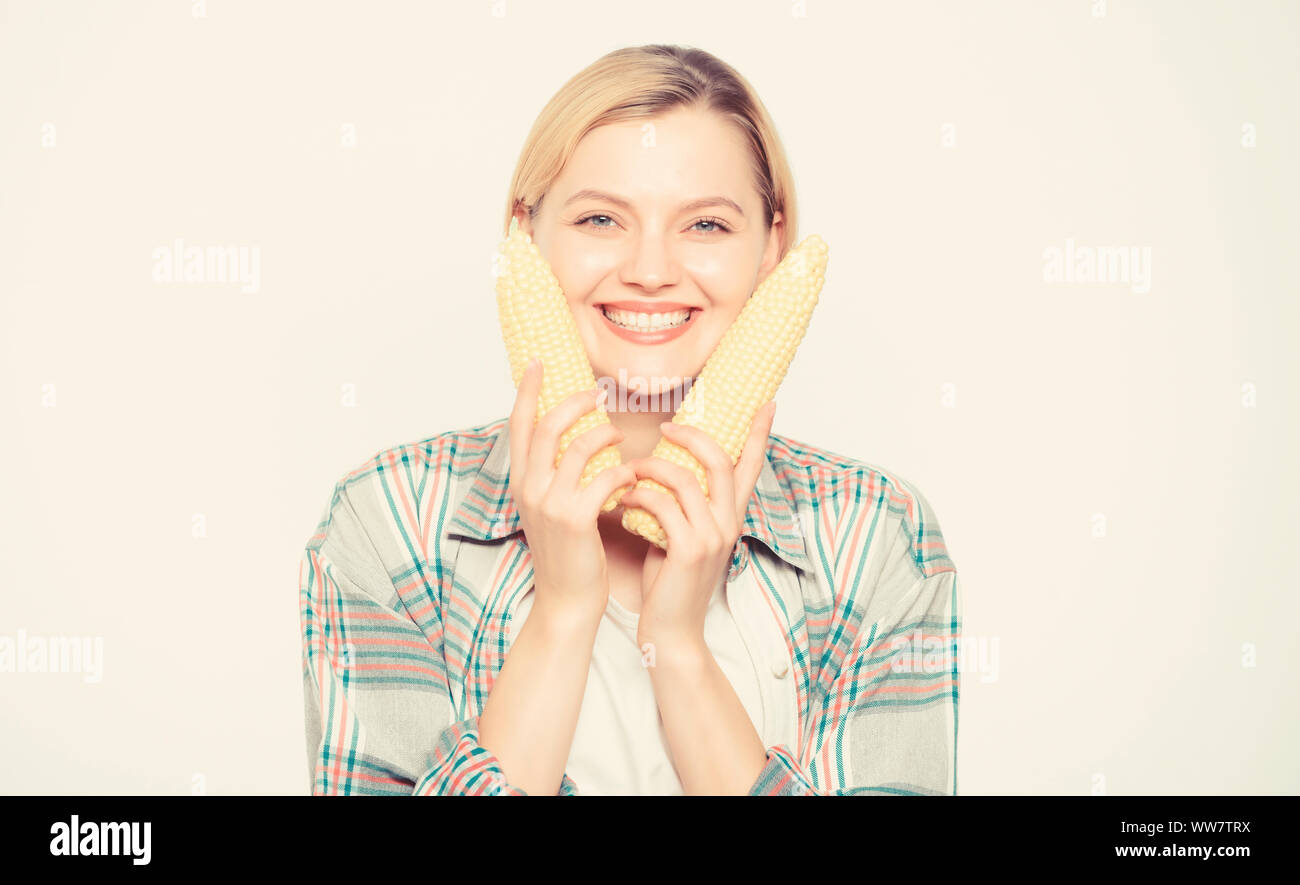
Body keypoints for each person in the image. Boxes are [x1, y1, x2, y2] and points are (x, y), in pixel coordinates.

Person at [298, 43, 961, 796]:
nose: (649, 269)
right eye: (601, 219)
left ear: (770, 248)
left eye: (705, 226)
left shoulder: (878, 542)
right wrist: (562, 611)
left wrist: (678, 647)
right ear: (527, 235)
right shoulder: (386, 526)